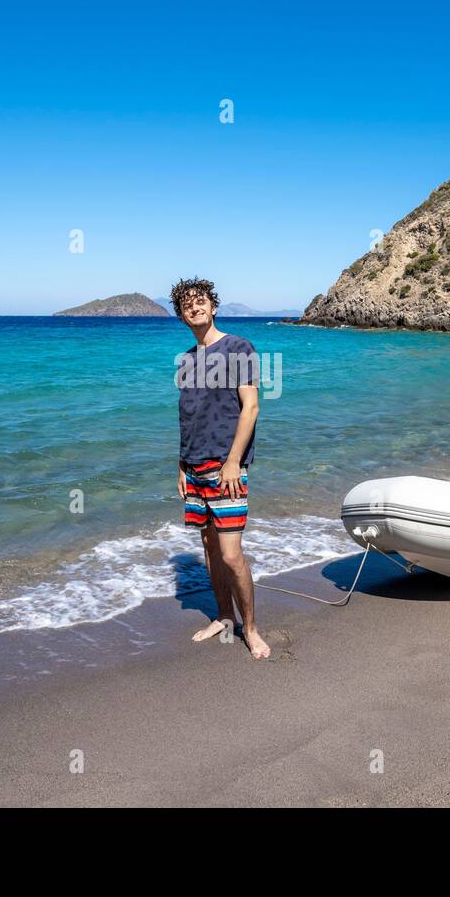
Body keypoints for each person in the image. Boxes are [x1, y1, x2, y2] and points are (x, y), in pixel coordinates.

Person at [171, 277, 270, 660]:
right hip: (193, 468)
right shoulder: (186, 360)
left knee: (231, 555)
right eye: (186, 305)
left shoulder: (238, 347)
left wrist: (233, 462)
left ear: (213, 307)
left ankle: (252, 628)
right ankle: (223, 616)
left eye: (200, 302)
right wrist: (181, 465)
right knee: (210, 550)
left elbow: (251, 407)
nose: (194, 308)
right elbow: (188, 416)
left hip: (224, 467)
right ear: (181, 316)